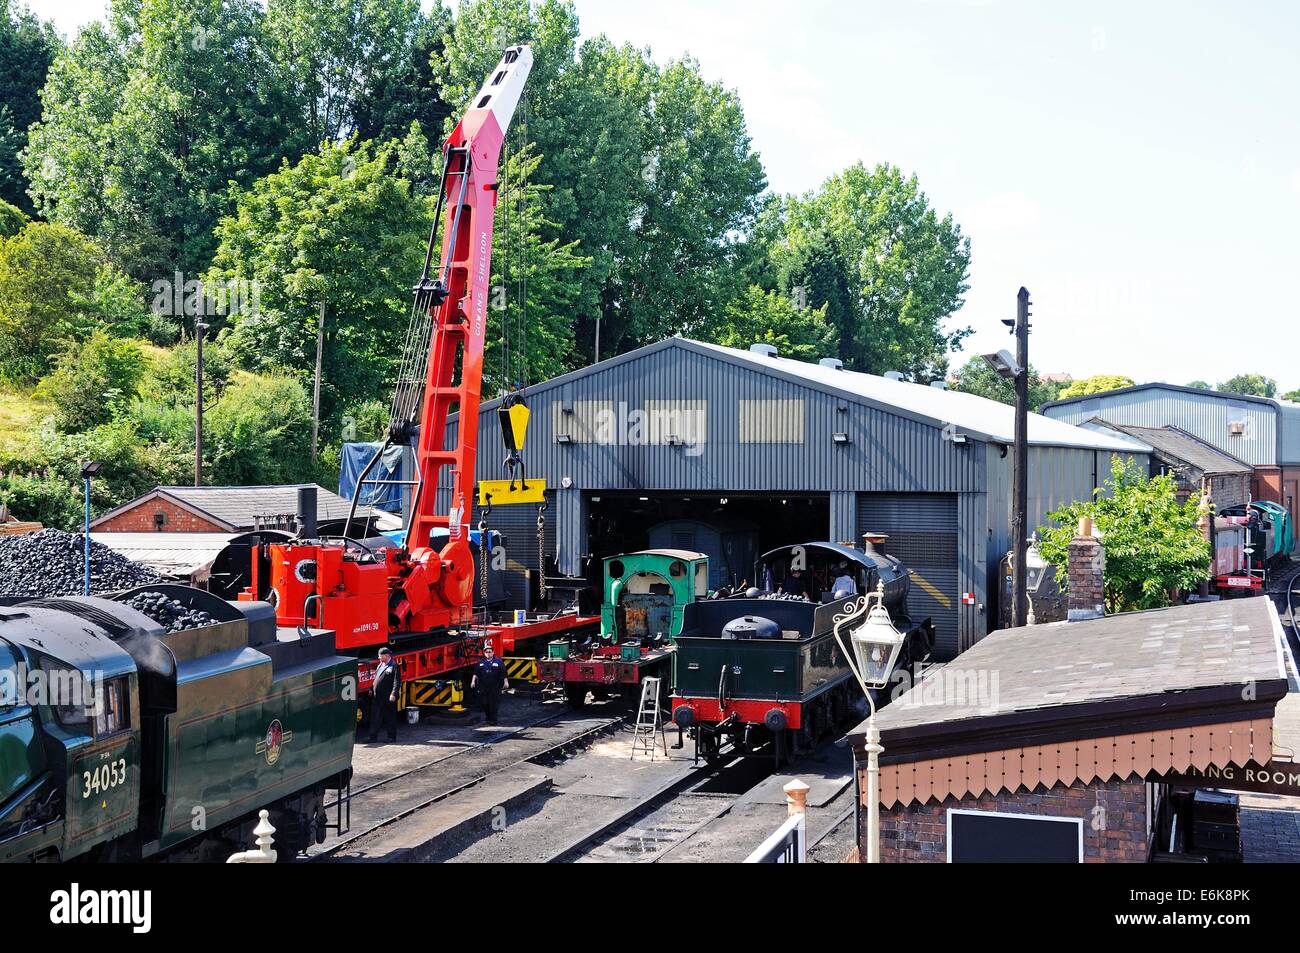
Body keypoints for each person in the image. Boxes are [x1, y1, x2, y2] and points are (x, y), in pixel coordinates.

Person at [471, 641, 509, 725]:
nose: (488, 653)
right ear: (484, 653)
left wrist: (506, 682)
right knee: (484, 703)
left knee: (493, 703)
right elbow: (475, 673)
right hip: (483, 686)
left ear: (493, 652)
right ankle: (488, 717)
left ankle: (493, 720)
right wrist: (473, 681)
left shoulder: (498, 661)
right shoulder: (481, 662)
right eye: (486, 652)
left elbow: (504, 673)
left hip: (495, 686)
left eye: (489, 652)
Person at [369, 647, 401, 743]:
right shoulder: (380, 665)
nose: (379, 657)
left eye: (380, 656)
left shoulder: (394, 666)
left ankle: (391, 737)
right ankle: (373, 737)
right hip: (377, 696)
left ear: (387, 655)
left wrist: (393, 693)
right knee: (375, 717)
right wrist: (371, 688)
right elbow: (376, 679)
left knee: (390, 717)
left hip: (388, 697)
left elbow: (397, 681)